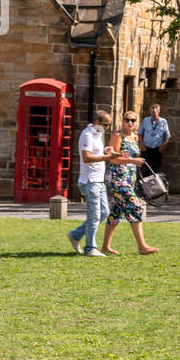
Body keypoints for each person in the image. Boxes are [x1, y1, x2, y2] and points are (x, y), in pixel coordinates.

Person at [67, 109, 122, 258]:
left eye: (109, 125)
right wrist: (107, 156)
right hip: (90, 181)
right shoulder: (87, 134)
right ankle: (90, 248)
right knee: (95, 216)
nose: (107, 128)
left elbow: (96, 152)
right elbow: (86, 157)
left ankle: (75, 235)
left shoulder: (99, 133)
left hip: (99, 180)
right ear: (97, 122)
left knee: (104, 213)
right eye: (105, 124)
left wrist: (106, 150)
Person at [101, 113, 158, 256]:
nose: (129, 122)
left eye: (133, 120)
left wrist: (136, 162)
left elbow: (130, 156)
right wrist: (133, 161)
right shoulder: (117, 135)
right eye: (127, 120)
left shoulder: (135, 137)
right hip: (116, 178)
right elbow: (112, 159)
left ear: (136, 122)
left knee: (116, 211)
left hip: (128, 179)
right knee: (136, 207)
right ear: (122, 121)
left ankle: (105, 247)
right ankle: (142, 246)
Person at [138, 103, 171, 173]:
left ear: (159, 112)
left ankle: (155, 184)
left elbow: (168, 137)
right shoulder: (145, 120)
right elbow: (139, 134)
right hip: (146, 149)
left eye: (155, 112)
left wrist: (162, 147)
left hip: (157, 150)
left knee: (156, 171)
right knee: (145, 170)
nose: (153, 114)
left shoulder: (164, 122)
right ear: (150, 112)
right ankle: (144, 184)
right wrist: (142, 146)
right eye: (152, 112)